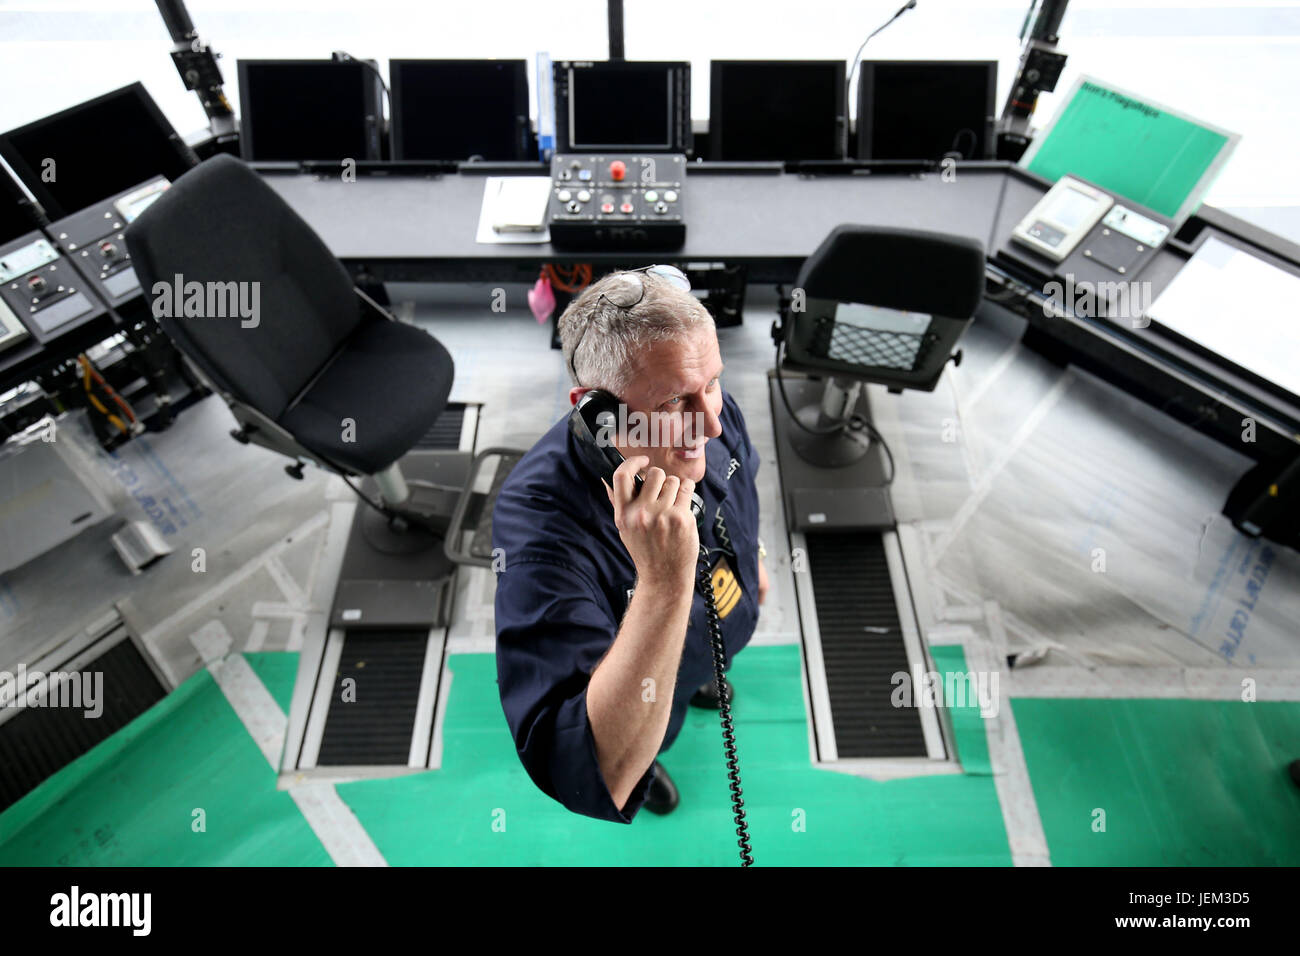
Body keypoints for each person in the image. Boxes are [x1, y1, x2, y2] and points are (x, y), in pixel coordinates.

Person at [492, 265, 767, 823]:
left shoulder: (706, 413)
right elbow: (591, 768)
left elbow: (741, 476)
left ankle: (704, 680)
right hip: (644, 683)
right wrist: (664, 581)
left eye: (713, 382)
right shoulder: (542, 527)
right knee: (652, 726)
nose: (712, 425)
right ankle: (655, 755)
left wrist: (753, 557)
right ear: (597, 412)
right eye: (673, 404)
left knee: (696, 673)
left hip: (719, 622)